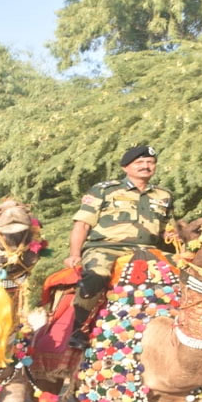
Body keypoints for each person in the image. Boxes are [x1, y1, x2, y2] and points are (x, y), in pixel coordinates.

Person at [63, 145, 173, 348]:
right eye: (139, 163)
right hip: (106, 247)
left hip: (148, 250)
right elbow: (83, 224)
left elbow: (168, 229)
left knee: (179, 277)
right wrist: (74, 254)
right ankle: (78, 329)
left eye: (150, 162)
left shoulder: (163, 195)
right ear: (125, 167)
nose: (145, 166)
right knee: (97, 274)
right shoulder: (104, 190)